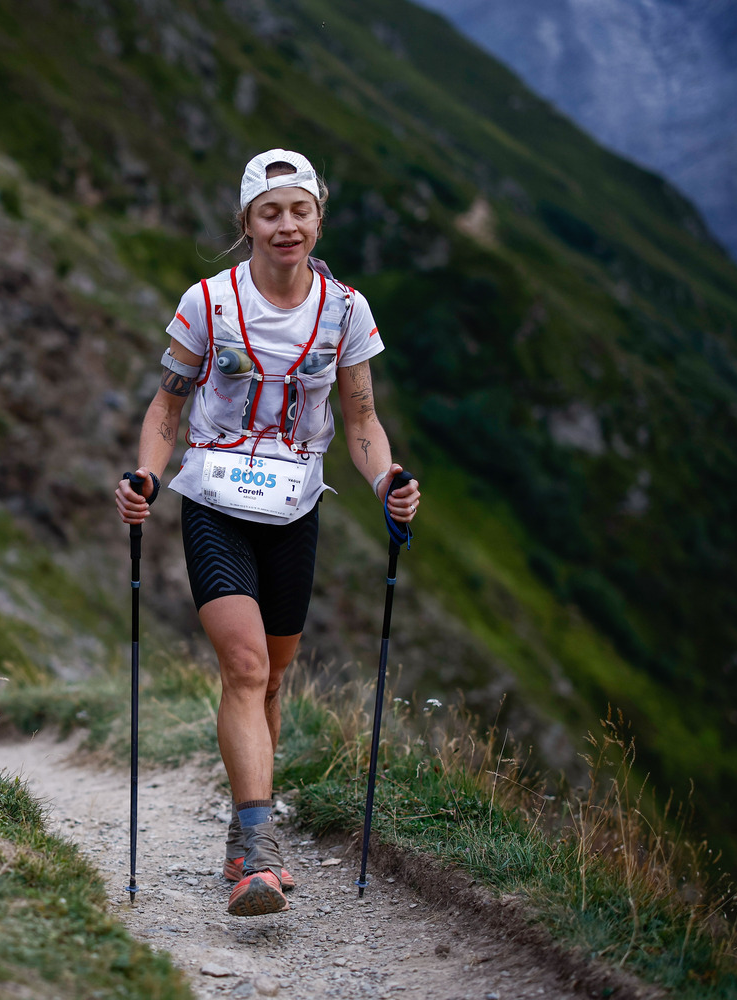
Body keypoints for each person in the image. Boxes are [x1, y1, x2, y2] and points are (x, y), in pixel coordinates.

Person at [113, 149, 422, 917]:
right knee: (247, 668)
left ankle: (245, 823)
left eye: (300, 211)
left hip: (295, 509)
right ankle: (257, 849)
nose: (287, 226)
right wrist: (146, 477)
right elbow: (166, 408)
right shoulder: (207, 304)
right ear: (247, 222)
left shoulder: (347, 310)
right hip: (214, 502)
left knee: (273, 680)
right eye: (270, 212)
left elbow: (360, 422)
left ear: (318, 217)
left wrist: (387, 482)